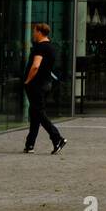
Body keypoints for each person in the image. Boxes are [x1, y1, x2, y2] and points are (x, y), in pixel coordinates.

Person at [24, 22, 65, 154]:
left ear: (40, 32)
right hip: (46, 84)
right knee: (35, 112)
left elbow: (36, 65)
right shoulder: (52, 47)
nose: (33, 34)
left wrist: (27, 81)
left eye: (34, 31)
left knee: (39, 112)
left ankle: (57, 138)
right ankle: (30, 144)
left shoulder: (40, 47)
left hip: (36, 84)